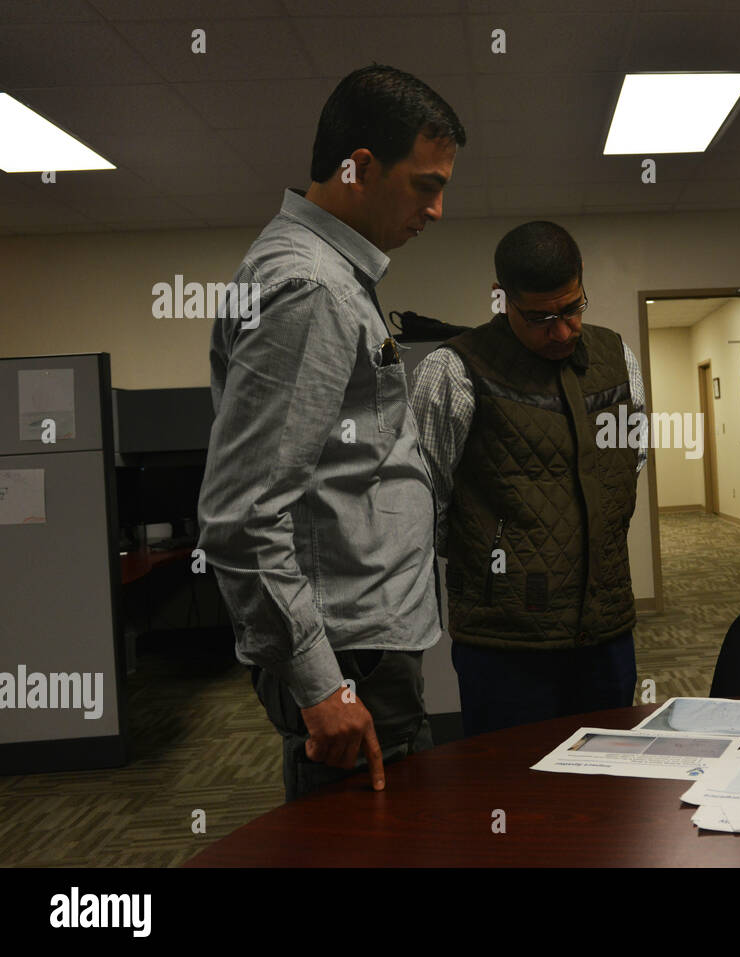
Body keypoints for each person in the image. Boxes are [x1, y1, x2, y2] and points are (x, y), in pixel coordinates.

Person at [197, 65, 465, 801]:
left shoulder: (332, 276)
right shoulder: (311, 287)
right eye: (426, 184)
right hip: (350, 659)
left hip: (365, 645)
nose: (437, 209)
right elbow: (241, 515)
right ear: (360, 167)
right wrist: (321, 684)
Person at [411, 221, 646, 737]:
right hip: (506, 643)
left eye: (571, 309)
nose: (560, 330)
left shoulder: (618, 359)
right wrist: (500, 560)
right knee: (513, 797)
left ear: (582, 282)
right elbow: (424, 505)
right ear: (501, 299)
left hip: (606, 630)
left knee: (609, 792)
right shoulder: (452, 370)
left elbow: (631, 462)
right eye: (539, 317)